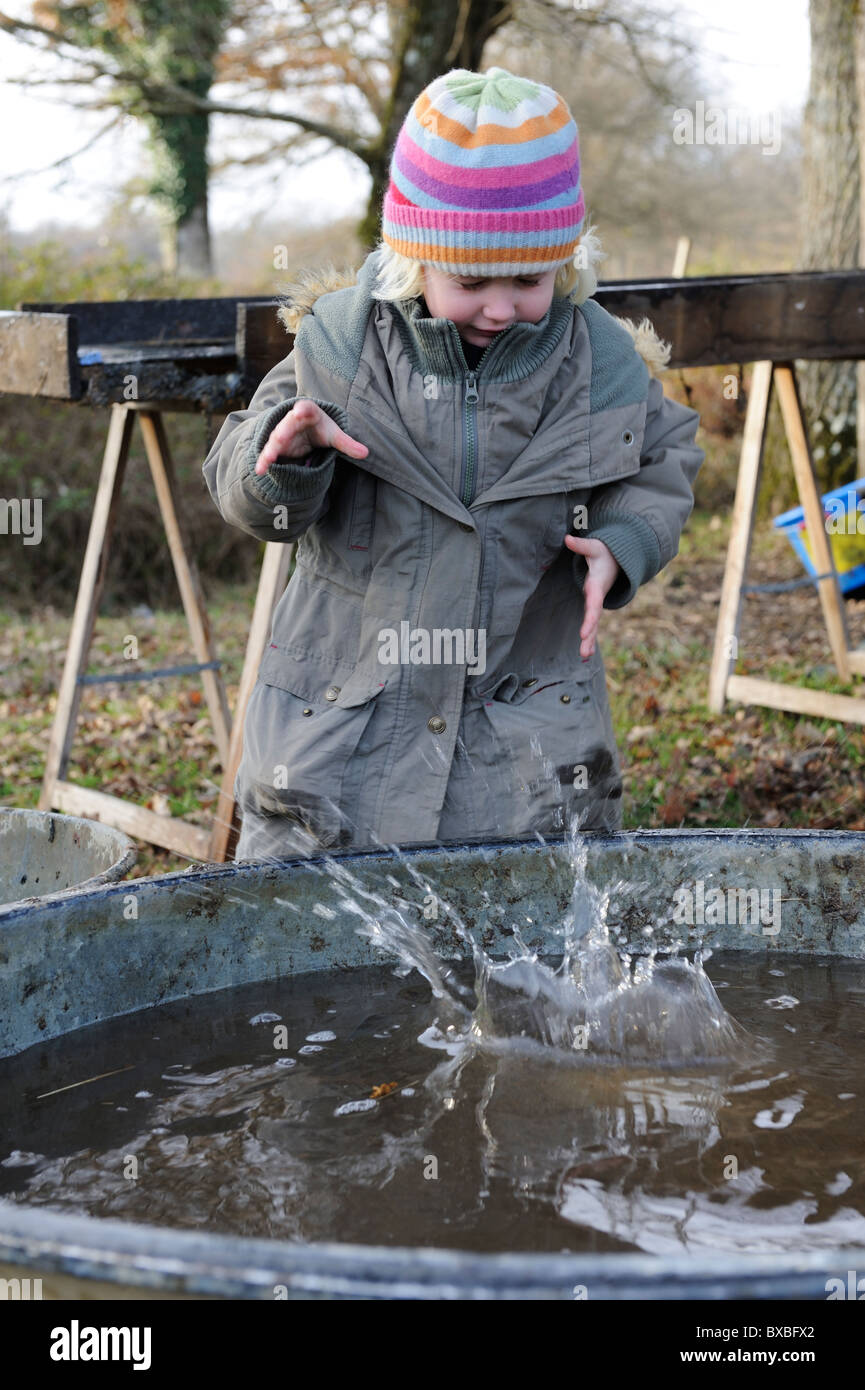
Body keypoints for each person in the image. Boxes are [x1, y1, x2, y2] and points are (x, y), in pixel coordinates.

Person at [202, 66, 704, 862]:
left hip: (521, 750)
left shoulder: (601, 365)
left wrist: (622, 538)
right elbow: (246, 490)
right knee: (319, 962)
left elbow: (664, 456)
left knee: (521, 960)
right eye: (470, 280)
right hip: (337, 742)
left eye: (530, 279)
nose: (500, 307)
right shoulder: (337, 349)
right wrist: (284, 459)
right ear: (413, 259)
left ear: (565, 266)